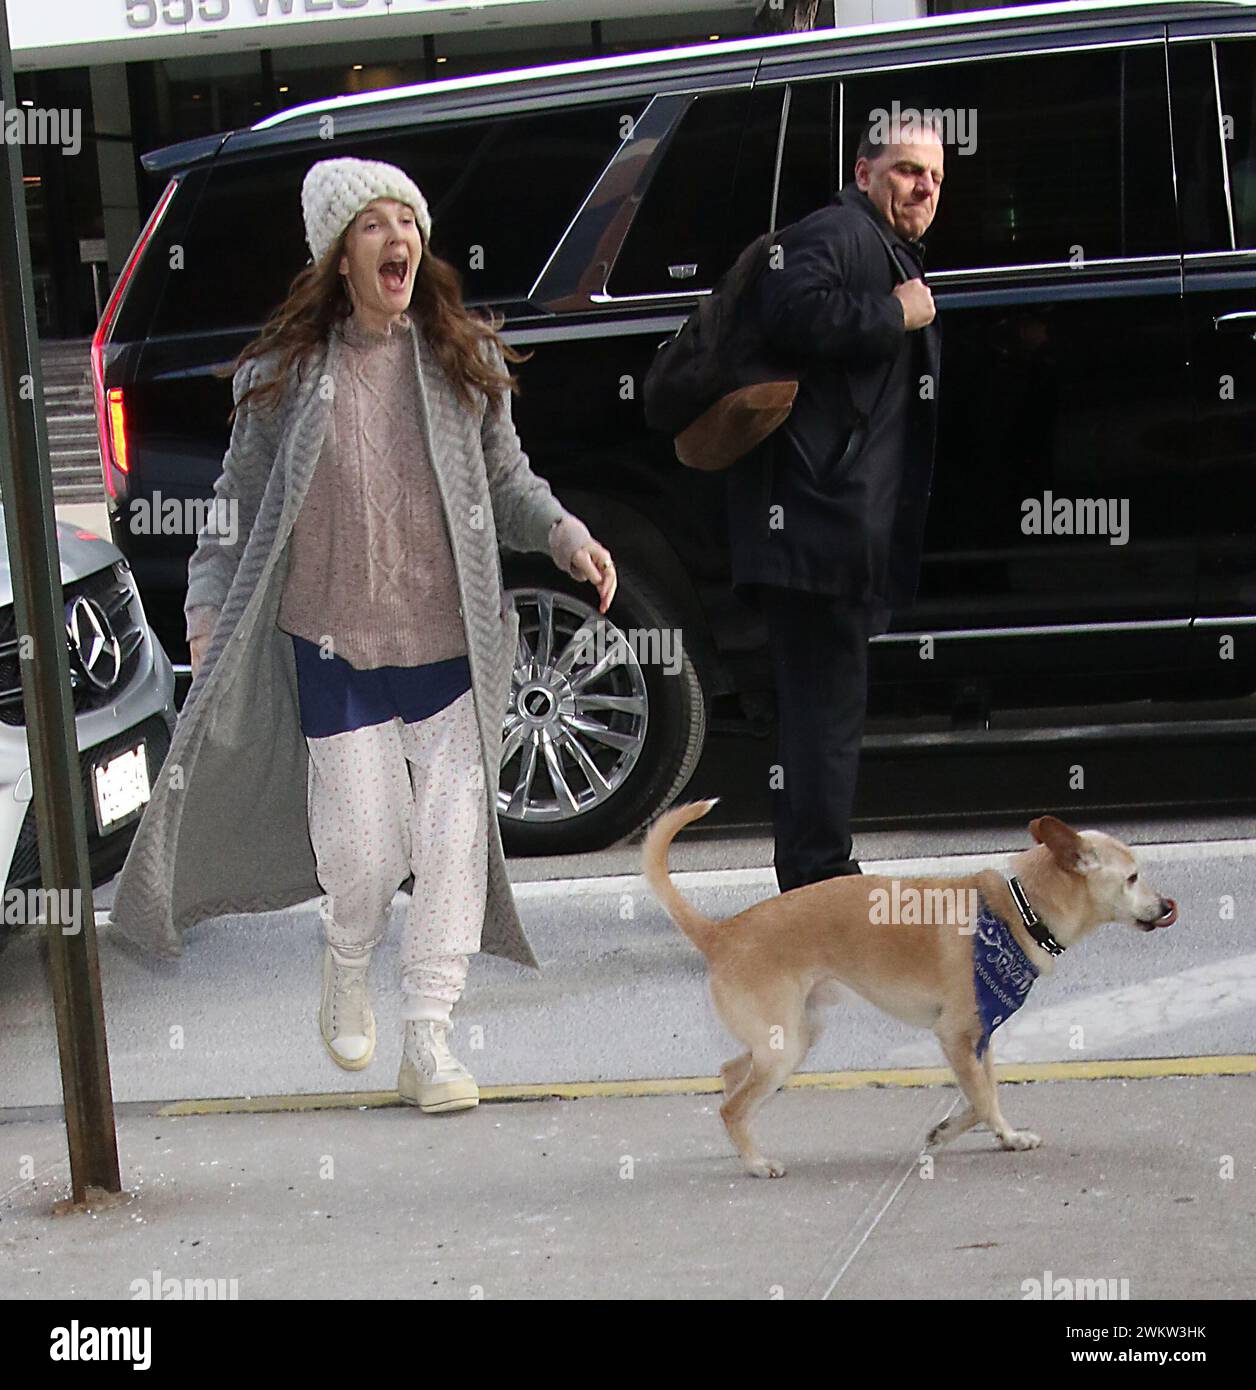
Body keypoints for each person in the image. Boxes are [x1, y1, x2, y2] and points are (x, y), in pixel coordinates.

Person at [114, 156, 615, 1113]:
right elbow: (233, 513)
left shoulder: (463, 362)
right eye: (373, 224)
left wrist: (566, 535)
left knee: (455, 843)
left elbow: (509, 487)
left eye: (408, 221)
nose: (398, 239)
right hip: (334, 648)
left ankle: (430, 1037)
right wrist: (210, 618)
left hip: (451, 649)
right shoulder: (286, 377)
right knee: (366, 855)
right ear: (339, 255)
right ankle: (347, 953)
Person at [725, 113, 944, 893]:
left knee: (825, 715)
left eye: (934, 177)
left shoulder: (878, 247)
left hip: (831, 529)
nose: (922, 186)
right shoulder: (838, 234)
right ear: (863, 172)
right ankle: (821, 885)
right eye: (907, 169)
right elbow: (789, 310)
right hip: (812, 530)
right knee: (823, 719)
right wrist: (896, 314)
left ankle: (818, 878)